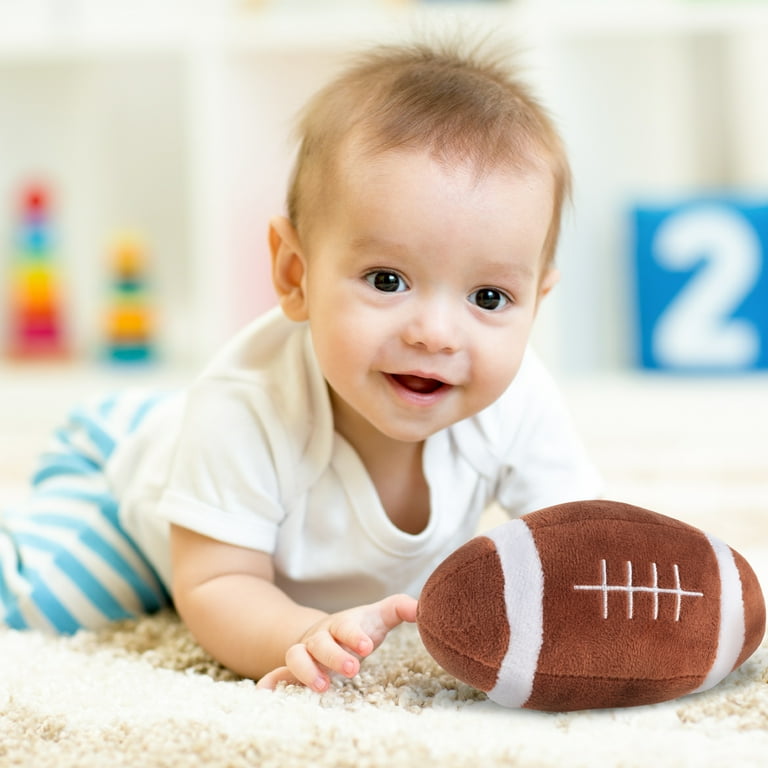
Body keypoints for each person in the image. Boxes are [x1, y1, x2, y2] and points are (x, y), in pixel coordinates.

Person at [0, 38, 601, 692]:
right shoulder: (247, 408)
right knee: (51, 601)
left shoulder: (519, 400)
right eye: (387, 279)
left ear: (536, 301)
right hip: (131, 482)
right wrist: (294, 635)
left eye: (489, 297)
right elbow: (216, 583)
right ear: (294, 273)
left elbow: (581, 542)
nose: (434, 333)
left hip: (194, 435)